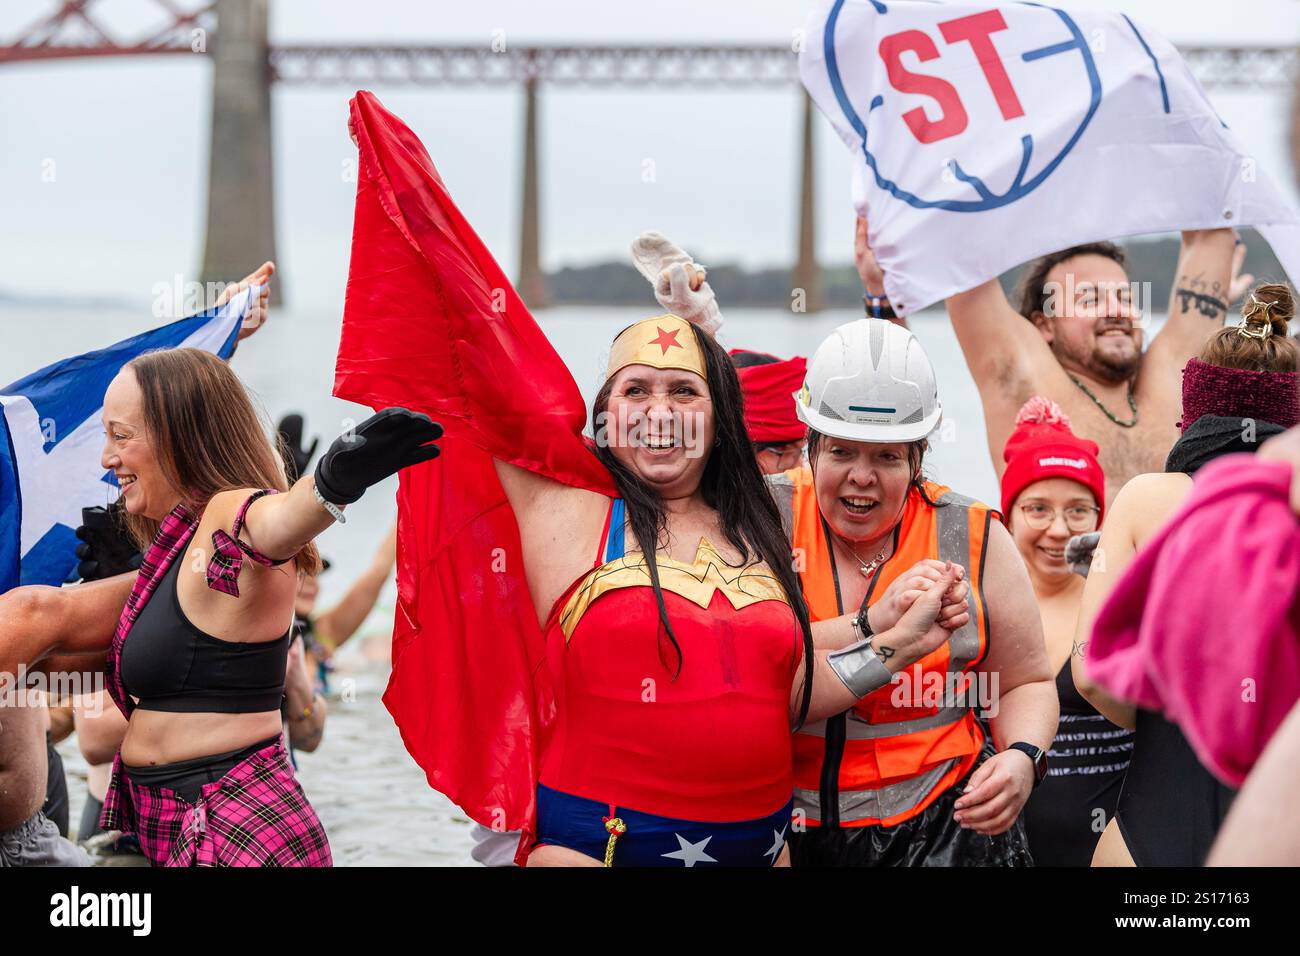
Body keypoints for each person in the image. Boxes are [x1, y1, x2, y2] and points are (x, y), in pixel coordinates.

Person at [339, 95, 973, 868]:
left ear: (719, 420)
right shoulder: (570, 511)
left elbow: (781, 683)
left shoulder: (756, 521)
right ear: (605, 415)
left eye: (684, 394)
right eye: (635, 392)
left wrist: (886, 633)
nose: (659, 412)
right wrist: (415, 199)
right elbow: (482, 356)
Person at [0, 348, 440, 866]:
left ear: (177, 436)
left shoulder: (227, 512)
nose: (106, 458)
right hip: (165, 822)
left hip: (235, 831)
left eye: (121, 436)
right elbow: (45, 648)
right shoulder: (177, 549)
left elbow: (275, 522)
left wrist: (329, 485)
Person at [773, 318, 1058, 867]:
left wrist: (1023, 758)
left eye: (886, 456)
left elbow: (1027, 680)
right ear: (810, 448)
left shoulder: (973, 534)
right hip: (786, 828)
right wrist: (882, 631)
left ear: (918, 458)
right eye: (841, 452)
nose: (862, 476)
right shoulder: (763, 519)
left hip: (943, 827)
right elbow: (749, 668)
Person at [1073, 283, 1299, 866]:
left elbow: (1094, 672)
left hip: (1155, 817)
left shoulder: (1149, 500)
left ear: (1192, 413)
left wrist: (1171, 712)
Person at [854, 215, 1249, 506]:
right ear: (1044, 325)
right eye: (1090, 299)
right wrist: (882, 297)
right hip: (1068, 611)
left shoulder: (1176, 377)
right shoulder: (1022, 380)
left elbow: (1211, 233)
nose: (1116, 311)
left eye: (1125, 298)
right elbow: (960, 247)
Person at [998, 396, 1133, 866]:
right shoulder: (975, 606)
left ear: (1101, 518)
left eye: (1078, 510)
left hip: (1107, 851)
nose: (1058, 530)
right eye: (1037, 509)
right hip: (997, 850)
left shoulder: (1123, 606)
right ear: (1007, 516)